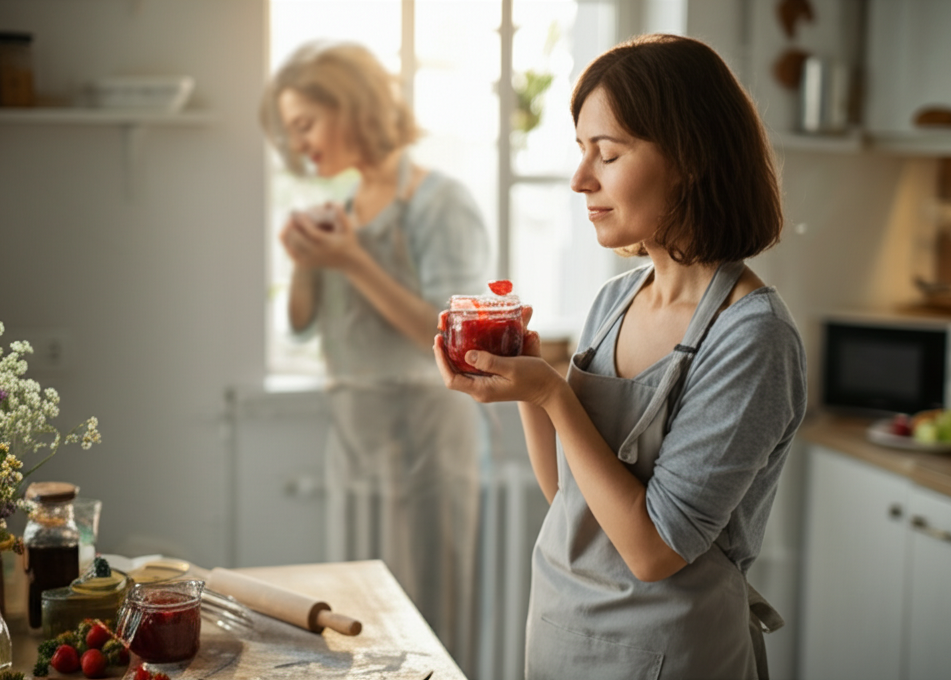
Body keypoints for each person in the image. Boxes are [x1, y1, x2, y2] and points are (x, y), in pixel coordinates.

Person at [433, 33, 807, 679]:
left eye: (607, 154)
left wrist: (552, 392)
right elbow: (570, 498)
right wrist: (526, 389)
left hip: (677, 654)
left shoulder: (751, 339)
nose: (581, 180)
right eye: (582, 152)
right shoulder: (616, 300)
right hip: (563, 633)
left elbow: (653, 551)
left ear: (690, 158)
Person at [260, 40, 489, 668]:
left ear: (350, 107)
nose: (299, 143)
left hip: (428, 439)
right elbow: (303, 325)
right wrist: (307, 261)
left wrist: (351, 260)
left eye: (305, 124)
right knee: (358, 620)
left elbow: (452, 338)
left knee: (432, 616)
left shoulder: (442, 203)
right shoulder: (345, 208)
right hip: (356, 437)